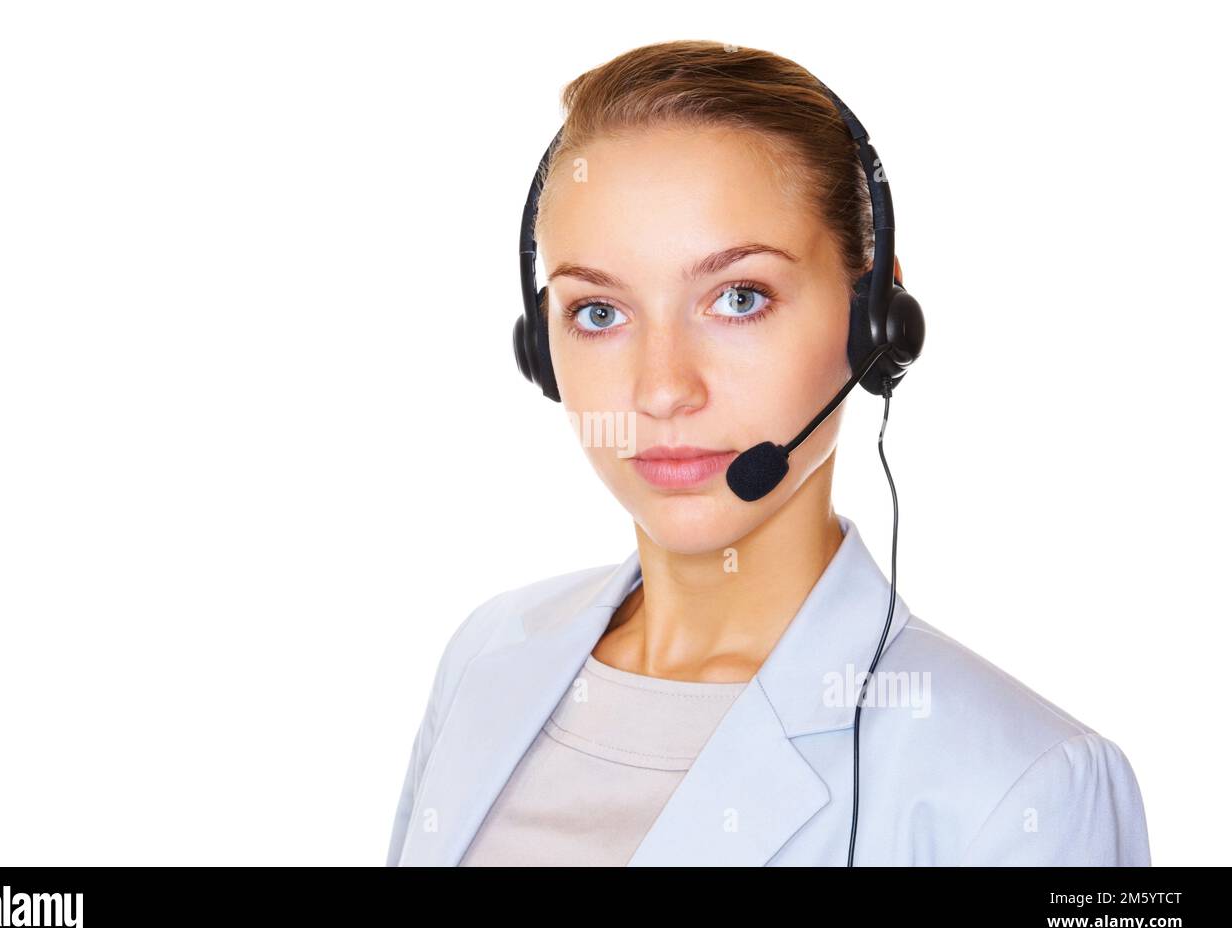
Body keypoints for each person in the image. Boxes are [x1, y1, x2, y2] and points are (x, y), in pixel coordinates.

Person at [386, 40, 1151, 866]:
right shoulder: (487, 655)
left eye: (738, 298)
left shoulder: (1026, 784)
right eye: (600, 311)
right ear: (540, 346)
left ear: (873, 324)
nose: (663, 389)